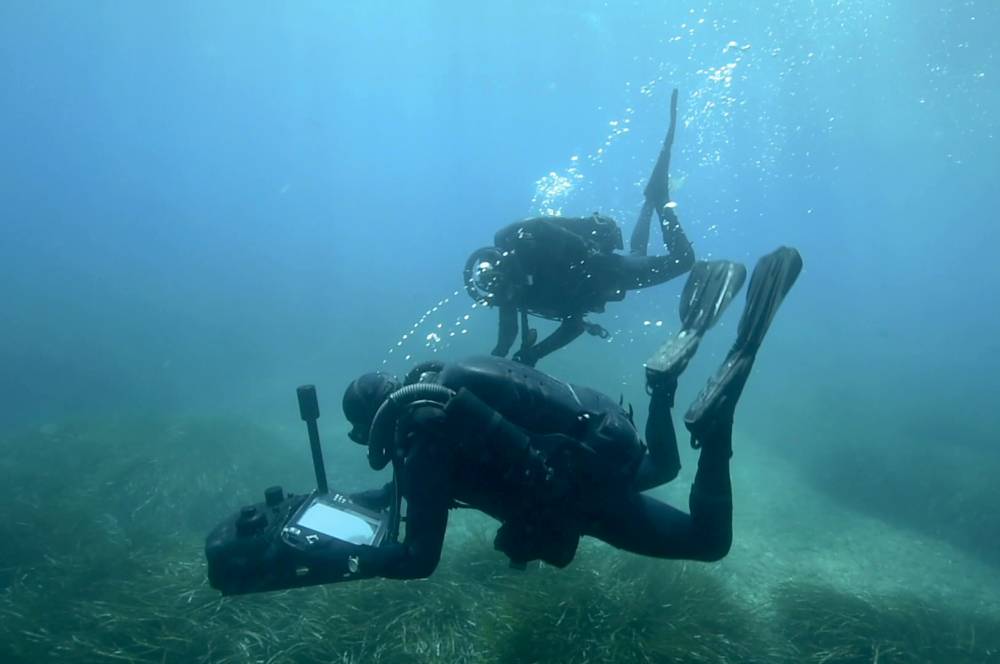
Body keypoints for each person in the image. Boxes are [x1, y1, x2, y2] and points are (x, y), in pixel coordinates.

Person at [340, 247, 802, 579]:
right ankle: (662, 388)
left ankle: (717, 430)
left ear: (375, 421)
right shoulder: (447, 383)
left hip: (581, 488)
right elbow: (419, 482)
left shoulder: (422, 436)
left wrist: (350, 556)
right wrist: (355, 502)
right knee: (663, 466)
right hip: (604, 437)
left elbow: (420, 560)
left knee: (708, 543)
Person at [466, 89, 695, 367]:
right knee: (637, 253)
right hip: (602, 281)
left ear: (504, 267)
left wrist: (589, 252)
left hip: (605, 272)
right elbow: (512, 337)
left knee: (683, 261)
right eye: (503, 297)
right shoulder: (510, 292)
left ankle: (660, 199)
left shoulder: (522, 246)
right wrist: (512, 359)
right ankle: (650, 200)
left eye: (507, 291)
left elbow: (546, 227)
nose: (508, 300)